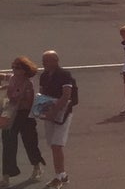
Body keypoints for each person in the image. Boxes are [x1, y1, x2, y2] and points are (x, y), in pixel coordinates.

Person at [1, 57, 45, 187]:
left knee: (29, 142)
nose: (13, 69)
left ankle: (36, 166)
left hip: (24, 115)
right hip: (10, 113)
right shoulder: (12, 78)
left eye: (17, 68)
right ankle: (6, 176)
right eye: (13, 66)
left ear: (25, 71)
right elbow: (4, 77)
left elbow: (28, 102)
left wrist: (14, 98)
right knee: (8, 142)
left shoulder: (28, 84)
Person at [39, 51, 75, 189]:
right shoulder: (43, 76)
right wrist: (42, 110)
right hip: (49, 114)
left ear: (55, 60)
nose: (43, 63)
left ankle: (59, 177)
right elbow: (42, 95)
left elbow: (66, 96)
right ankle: (62, 175)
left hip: (63, 114)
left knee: (56, 145)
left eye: (45, 60)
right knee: (53, 145)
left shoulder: (64, 75)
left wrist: (54, 112)